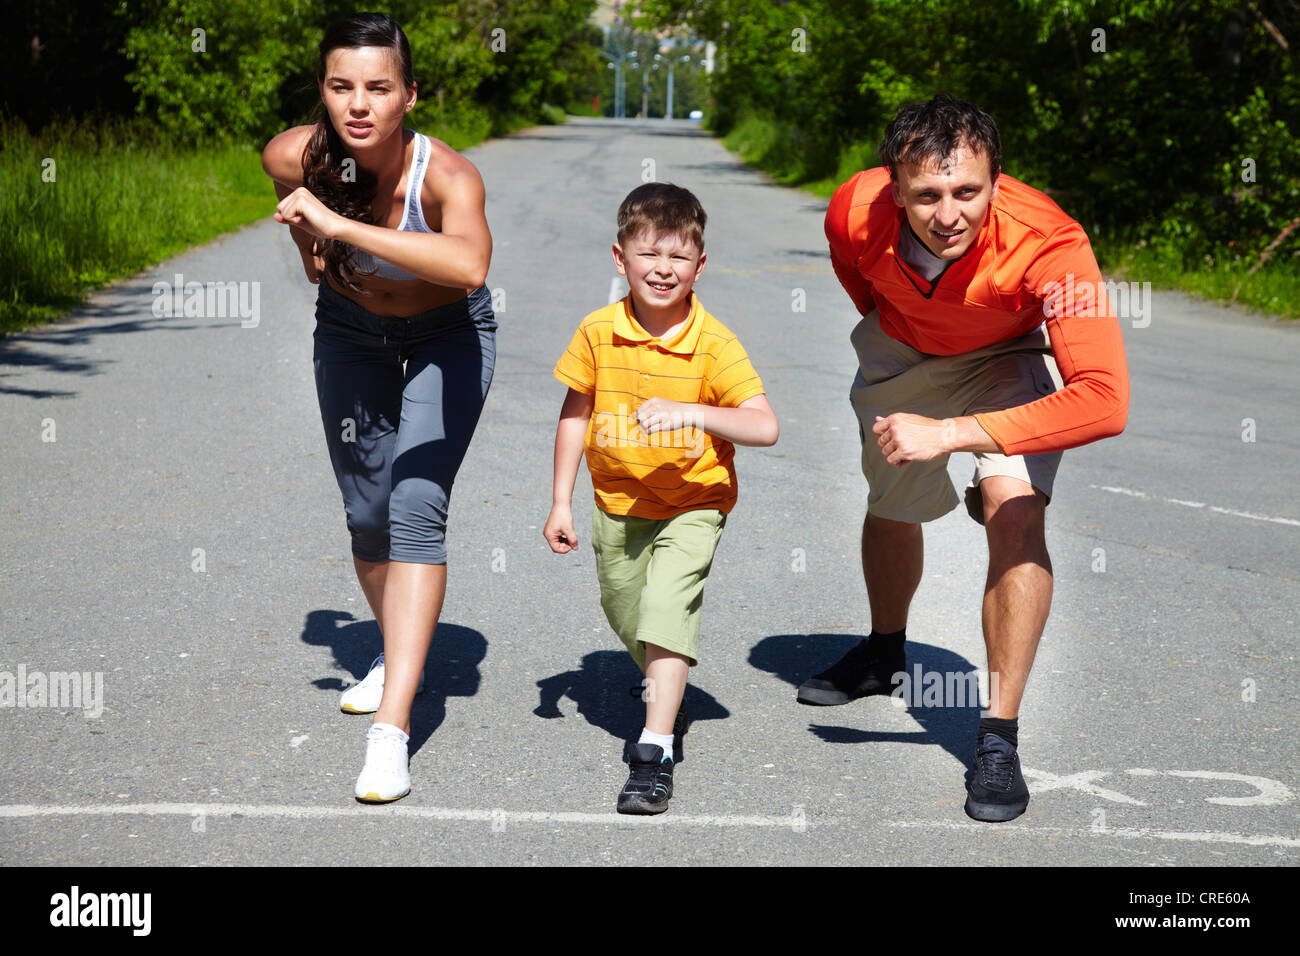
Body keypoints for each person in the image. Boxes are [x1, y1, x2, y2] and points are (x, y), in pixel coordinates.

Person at [808, 93, 1129, 822]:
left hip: (1005, 358)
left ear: (998, 180)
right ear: (894, 188)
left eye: (967, 192)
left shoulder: (1051, 243)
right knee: (891, 507)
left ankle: (997, 736)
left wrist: (952, 433)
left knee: (1013, 514)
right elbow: (861, 282)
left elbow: (1105, 399)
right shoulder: (852, 210)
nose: (947, 213)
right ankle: (885, 653)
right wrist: (910, 353)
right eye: (925, 194)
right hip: (905, 349)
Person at [261, 12, 496, 803]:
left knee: (415, 507)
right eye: (341, 86)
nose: (358, 104)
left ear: (409, 96)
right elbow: (304, 234)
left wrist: (332, 221)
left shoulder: (448, 177)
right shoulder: (294, 157)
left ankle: (390, 732)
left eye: (378, 87)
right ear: (323, 92)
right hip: (352, 333)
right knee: (367, 517)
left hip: (448, 337)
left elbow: (466, 266)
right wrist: (317, 243)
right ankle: (400, 650)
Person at [544, 183, 778, 814]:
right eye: (648, 254)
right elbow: (575, 413)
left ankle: (653, 750)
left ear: (700, 266)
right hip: (617, 502)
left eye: (678, 257)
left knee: (666, 611)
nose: (662, 269)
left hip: (694, 502)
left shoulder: (713, 343)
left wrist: (694, 412)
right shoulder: (597, 332)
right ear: (620, 258)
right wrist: (561, 501)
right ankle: (661, 679)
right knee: (627, 613)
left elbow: (764, 426)